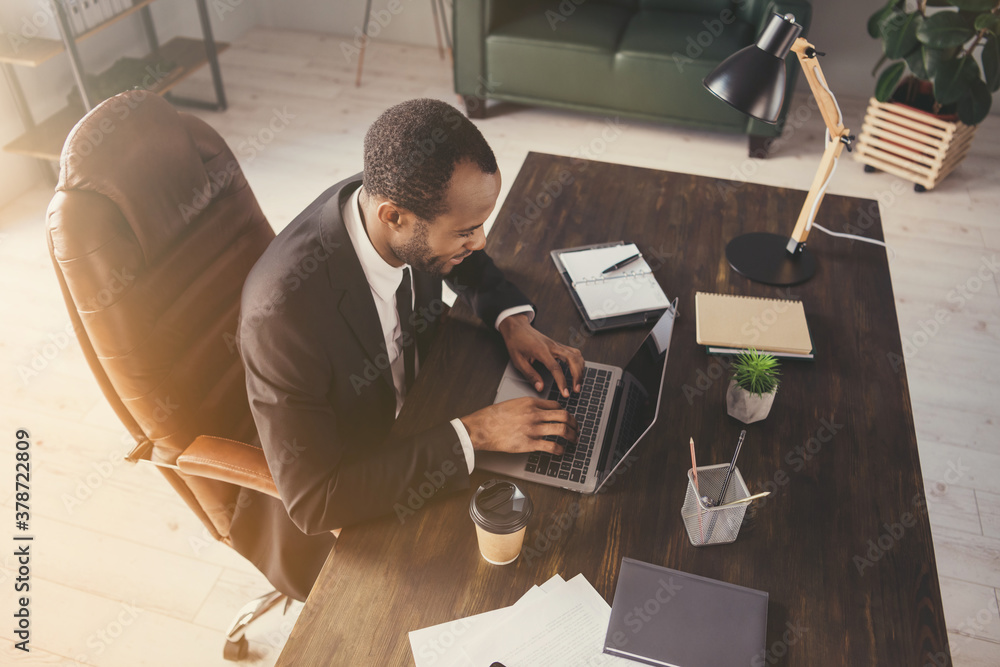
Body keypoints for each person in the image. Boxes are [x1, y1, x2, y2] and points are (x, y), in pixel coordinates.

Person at [230, 98, 586, 601]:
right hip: (372, 476)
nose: (481, 242)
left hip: (425, 396)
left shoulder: (401, 205)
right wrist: (477, 431)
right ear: (393, 216)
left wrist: (512, 322)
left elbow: (456, 257)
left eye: (481, 223)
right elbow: (315, 501)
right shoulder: (283, 317)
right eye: (468, 230)